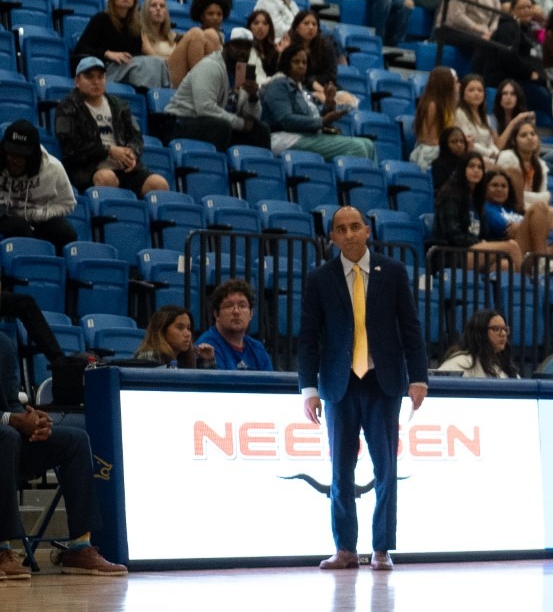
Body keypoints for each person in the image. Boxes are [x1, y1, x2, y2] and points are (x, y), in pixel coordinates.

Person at [298, 207, 428, 570]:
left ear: (367, 231)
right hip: (338, 384)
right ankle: (345, 549)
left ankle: (382, 548)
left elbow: (411, 328)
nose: (350, 233)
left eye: (355, 226)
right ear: (334, 238)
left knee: (385, 468)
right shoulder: (320, 279)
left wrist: (418, 378)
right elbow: (309, 337)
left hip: (382, 381)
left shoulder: (394, 273)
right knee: (341, 470)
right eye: (342, 229)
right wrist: (308, 389)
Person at [0, 385, 127, 578]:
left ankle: (79, 547)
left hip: (11, 436)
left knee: (75, 440)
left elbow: (11, 401)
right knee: (7, 437)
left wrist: (33, 421)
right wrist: (11, 420)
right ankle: (2, 548)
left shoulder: (6, 353)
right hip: (6, 437)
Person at [55, 58, 168, 196]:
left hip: (125, 169)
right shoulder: (67, 107)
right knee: (106, 179)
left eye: (100, 77)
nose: (96, 82)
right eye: (89, 77)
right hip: (90, 169)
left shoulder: (119, 106)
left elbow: (136, 137)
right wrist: (109, 151)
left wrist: (131, 153)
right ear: (77, 81)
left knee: (159, 184)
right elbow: (71, 146)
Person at [260, 46, 373, 161]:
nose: (301, 66)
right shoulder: (279, 84)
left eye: (304, 62)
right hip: (284, 138)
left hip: (306, 135)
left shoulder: (300, 88)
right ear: (286, 63)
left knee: (368, 144)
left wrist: (329, 103)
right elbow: (286, 120)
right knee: (358, 147)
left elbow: (313, 118)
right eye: (296, 62)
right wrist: (323, 121)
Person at [163, 29, 263, 151]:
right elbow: (205, 108)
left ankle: (249, 168)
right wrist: (241, 124)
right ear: (225, 47)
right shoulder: (210, 66)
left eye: (247, 47)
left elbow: (252, 119)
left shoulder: (241, 72)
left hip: (212, 124)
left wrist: (253, 98)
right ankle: (212, 167)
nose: (243, 51)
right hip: (179, 122)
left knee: (261, 130)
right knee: (221, 126)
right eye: (237, 46)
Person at [73, 0, 170, 89]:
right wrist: (107, 54)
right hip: (104, 69)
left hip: (129, 68)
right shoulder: (101, 19)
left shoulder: (135, 27)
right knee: (148, 63)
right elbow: (81, 49)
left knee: (158, 63)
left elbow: (136, 55)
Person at [432, 152, 522, 271]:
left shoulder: (477, 198)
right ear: (462, 168)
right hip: (451, 253)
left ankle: (495, 290)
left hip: (473, 250)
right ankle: (527, 285)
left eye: (480, 167)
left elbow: (484, 234)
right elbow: (452, 234)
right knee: (512, 247)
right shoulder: (450, 194)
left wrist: (484, 243)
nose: (476, 170)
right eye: (471, 166)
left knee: (504, 265)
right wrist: (479, 242)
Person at [0, 120, 78, 248]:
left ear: (33, 156)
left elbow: (67, 203)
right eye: (11, 154)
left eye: (21, 156)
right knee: (20, 227)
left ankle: (53, 266)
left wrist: (42, 214)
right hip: (4, 217)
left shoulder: (53, 169)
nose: (14, 161)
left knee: (66, 233)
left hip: (36, 218)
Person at [196, 278, 272, 371]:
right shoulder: (207, 346)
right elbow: (221, 384)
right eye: (228, 306)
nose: (236, 311)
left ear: (251, 314)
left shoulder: (257, 348)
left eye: (242, 305)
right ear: (216, 314)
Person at [433, 309, 517, 378]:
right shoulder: (461, 362)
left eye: (505, 329)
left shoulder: (504, 366)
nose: (503, 334)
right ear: (480, 332)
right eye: (496, 329)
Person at [129, 305, 209, 369]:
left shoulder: (185, 360)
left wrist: (208, 360)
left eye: (188, 328)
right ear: (162, 331)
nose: (187, 334)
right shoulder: (150, 357)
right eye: (180, 327)